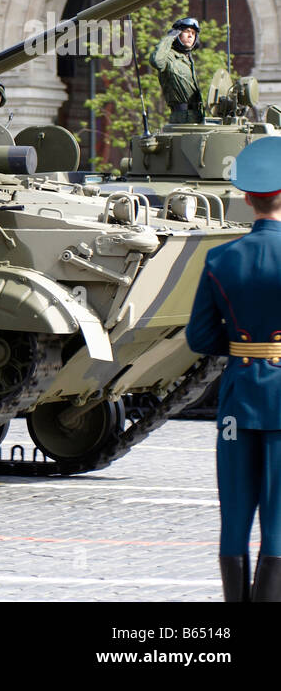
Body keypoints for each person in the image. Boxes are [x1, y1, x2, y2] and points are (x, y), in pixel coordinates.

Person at [186, 135, 281, 601]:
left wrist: (247, 349)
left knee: (235, 514)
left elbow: (199, 338)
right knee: (279, 520)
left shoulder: (220, 258)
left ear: (247, 198)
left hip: (238, 398)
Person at [150, 17, 203, 124]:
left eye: (193, 33)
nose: (190, 36)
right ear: (177, 34)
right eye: (187, 31)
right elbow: (156, 61)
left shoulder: (188, 59)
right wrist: (169, 38)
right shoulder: (169, 57)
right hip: (181, 117)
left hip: (197, 115)